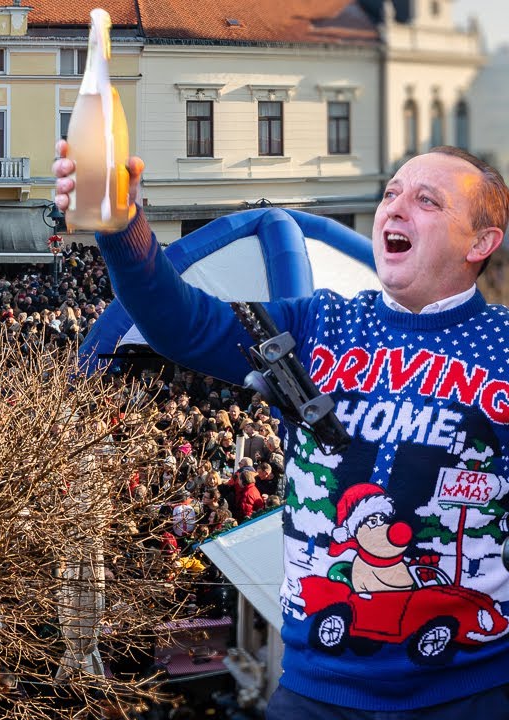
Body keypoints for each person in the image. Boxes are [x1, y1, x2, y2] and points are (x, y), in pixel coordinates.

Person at [56, 142, 509, 717]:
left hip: (469, 697)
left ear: (480, 242)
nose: (395, 208)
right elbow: (184, 324)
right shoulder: (321, 323)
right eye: (391, 193)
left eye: (426, 200)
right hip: (315, 695)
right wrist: (123, 230)